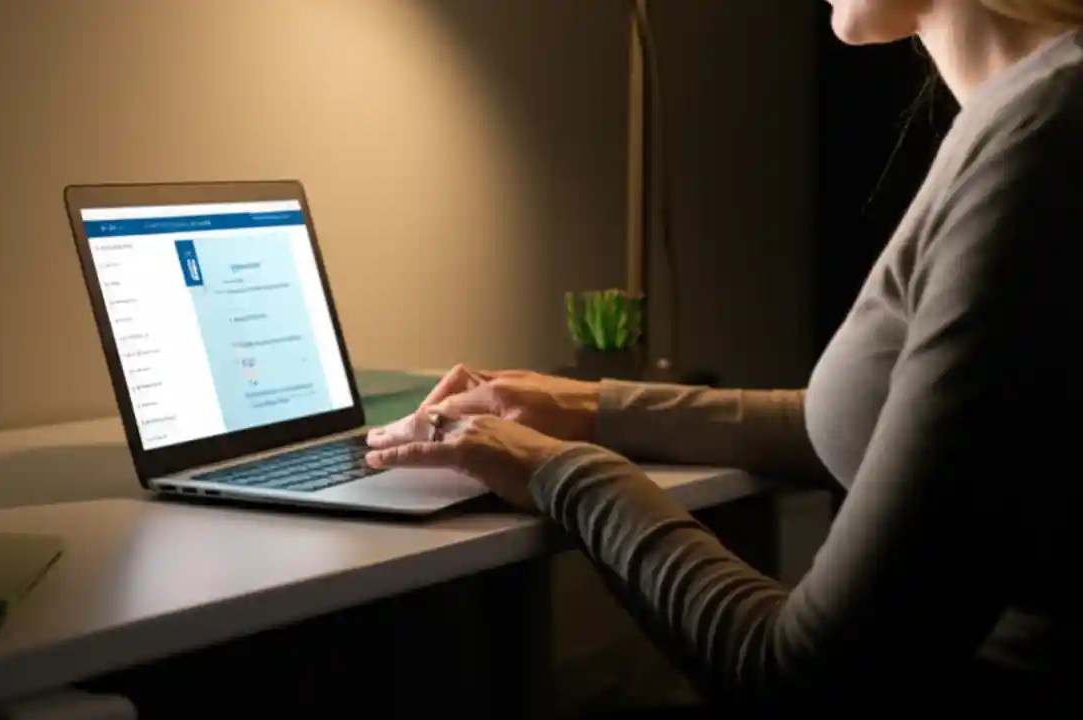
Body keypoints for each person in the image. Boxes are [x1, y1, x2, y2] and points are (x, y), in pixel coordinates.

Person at [364, 0, 1083, 710]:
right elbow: (898, 426)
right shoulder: (1028, 111)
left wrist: (557, 471)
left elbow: (804, 674)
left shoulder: (1044, 145)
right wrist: (594, 408)